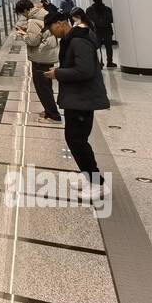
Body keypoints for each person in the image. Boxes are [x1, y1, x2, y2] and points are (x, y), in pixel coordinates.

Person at [44, 11, 110, 200]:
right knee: (77, 138)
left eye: (51, 29)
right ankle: (89, 176)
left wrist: (58, 74)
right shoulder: (74, 38)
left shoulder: (78, 41)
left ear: (60, 24)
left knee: (76, 140)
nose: (52, 34)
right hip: (79, 97)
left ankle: (97, 183)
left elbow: (85, 70)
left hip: (82, 97)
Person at [14, 0, 61, 123]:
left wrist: (23, 34)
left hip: (41, 57)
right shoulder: (44, 14)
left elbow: (32, 41)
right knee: (47, 86)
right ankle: (49, 110)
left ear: (25, 10)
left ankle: (53, 115)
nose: (23, 16)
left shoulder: (33, 20)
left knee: (42, 87)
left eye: (22, 13)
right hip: (48, 55)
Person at [85, 0, 116, 68]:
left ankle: (100, 63)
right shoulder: (107, 9)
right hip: (107, 29)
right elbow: (111, 20)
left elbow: (89, 21)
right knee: (108, 47)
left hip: (96, 31)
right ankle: (110, 62)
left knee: (97, 47)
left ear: (93, 0)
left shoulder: (89, 10)